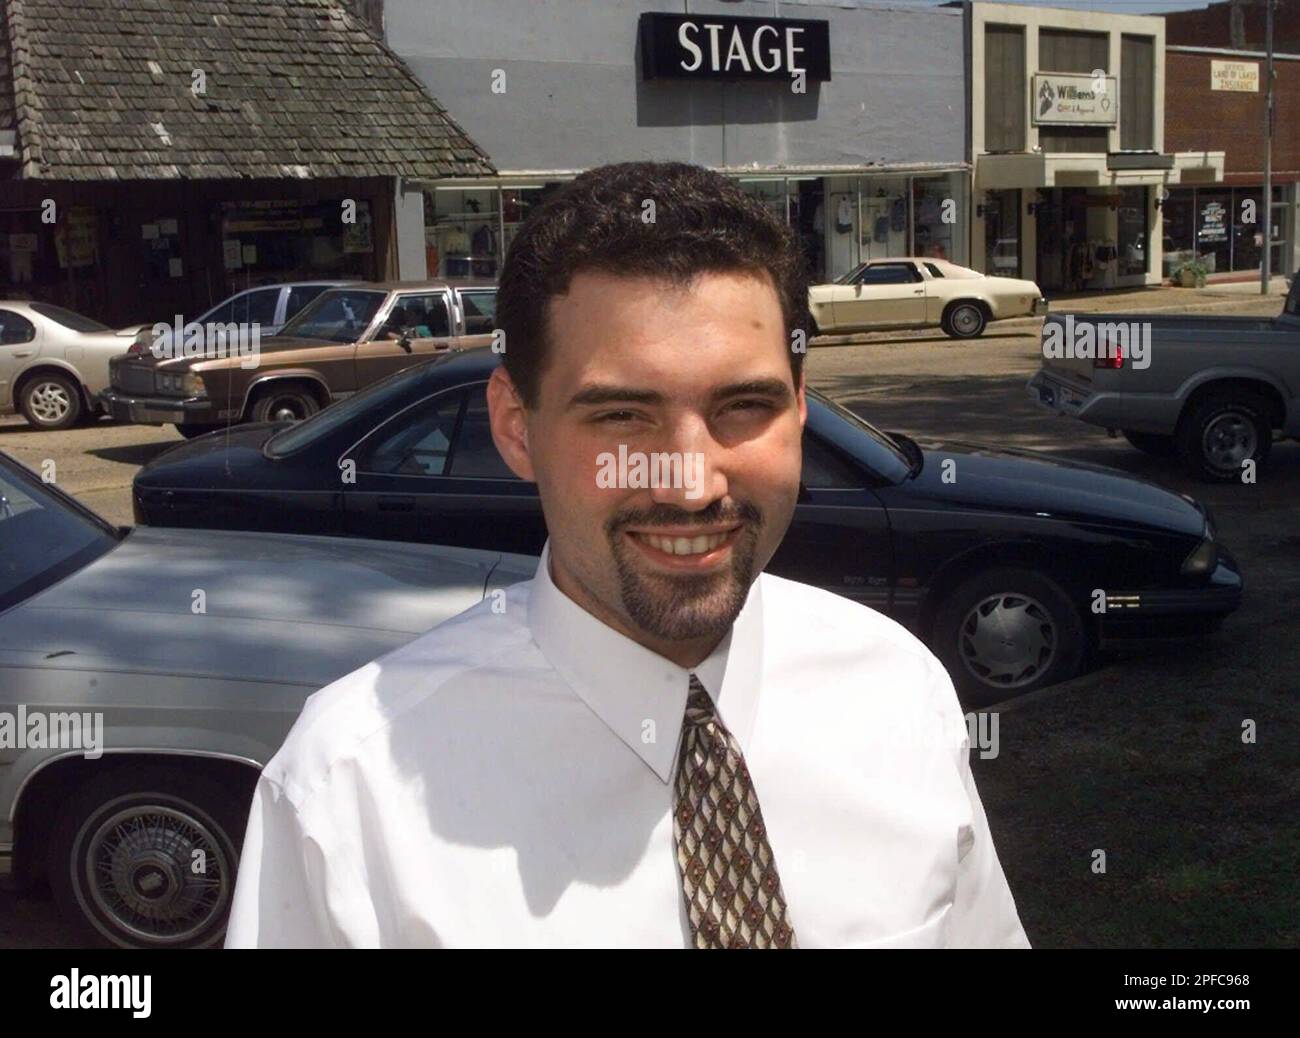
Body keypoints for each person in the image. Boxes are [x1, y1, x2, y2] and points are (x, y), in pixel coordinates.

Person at [225, 161, 1030, 949]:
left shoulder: (897, 690)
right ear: (515, 426)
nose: (689, 482)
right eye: (621, 416)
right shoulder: (346, 796)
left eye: (744, 405)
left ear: (799, 410)